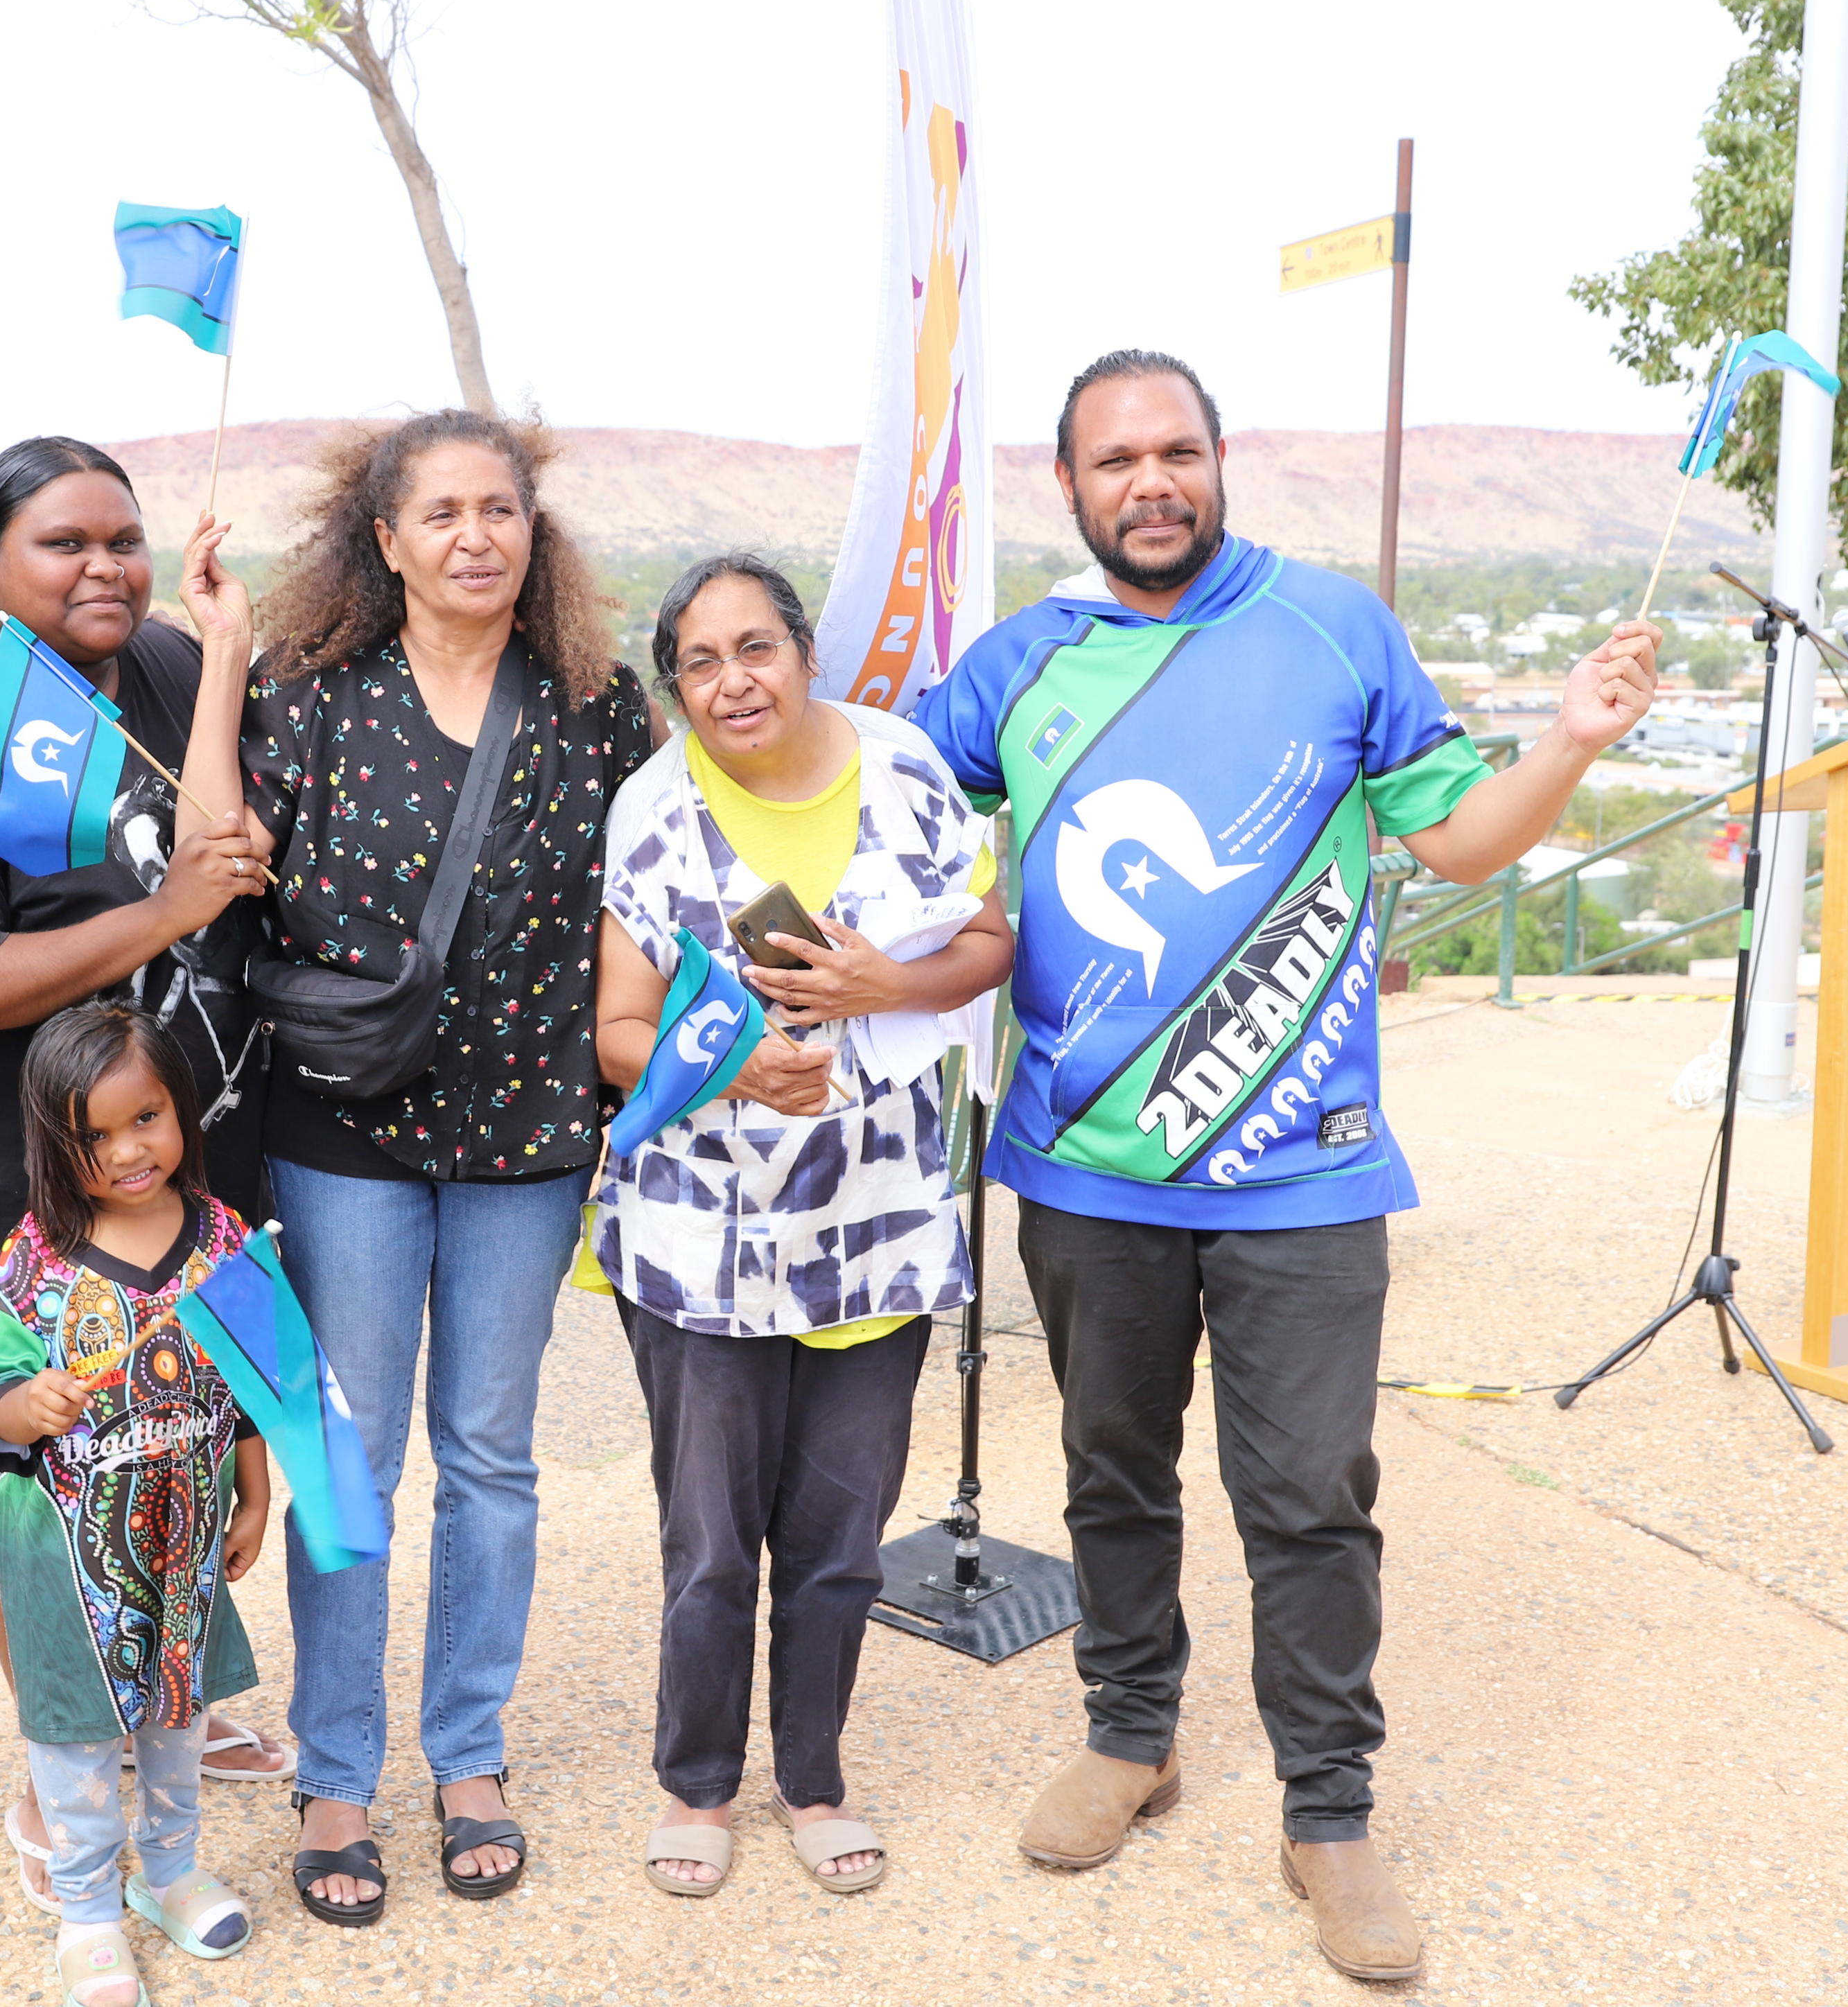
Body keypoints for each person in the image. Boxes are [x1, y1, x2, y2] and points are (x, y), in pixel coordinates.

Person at [913, 349, 1659, 1986]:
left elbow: (1457, 837)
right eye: (1116, 460)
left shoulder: (1331, 624)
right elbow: (889, 816)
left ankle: (1327, 1815)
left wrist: (1575, 742)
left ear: (1220, 459)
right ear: (1070, 486)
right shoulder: (1017, 662)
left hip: (1301, 1174)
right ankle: (1132, 1738)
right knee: (1113, 1472)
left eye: (1176, 449)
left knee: (1309, 1499)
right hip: (1087, 1171)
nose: (1150, 481)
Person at [0, 438, 295, 1913]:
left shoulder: (158, 666)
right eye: (61, 543)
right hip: (6, 1209)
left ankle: (170, 1697)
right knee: (38, 1491)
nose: (103, 567)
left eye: (123, 538)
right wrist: (167, 905)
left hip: (186, 1174)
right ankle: (59, 1777)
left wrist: (222, 651)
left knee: (189, 1437)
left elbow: (223, 841)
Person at [239, 408, 656, 1922]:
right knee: (347, 1456)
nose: (476, 534)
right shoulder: (308, 696)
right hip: (340, 1132)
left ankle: (466, 1753)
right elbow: (227, 879)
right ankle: (334, 1768)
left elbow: (649, 902)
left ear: (532, 534)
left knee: (490, 1458)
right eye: (444, 511)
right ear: (388, 537)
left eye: (502, 508)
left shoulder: (599, 707)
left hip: (530, 1134)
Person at [588, 554, 1011, 1900]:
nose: (733, 679)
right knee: (709, 1541)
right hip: (699, 1243)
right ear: (677, 687)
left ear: (803, 648)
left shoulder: (903, 769)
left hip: (875, 1226)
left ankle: (814, 1776)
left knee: (837, 1539)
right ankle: (697, 1780)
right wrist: (724, 1069)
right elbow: (615, 1033)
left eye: (754, 645)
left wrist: (893, 978)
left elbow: (989, 941)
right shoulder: (649, 814)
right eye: (700, 661)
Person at [0, 1003, 272, 2007]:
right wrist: (28, 1402)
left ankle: (172, 1870)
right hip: (68, 1557)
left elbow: (253, 1388)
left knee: (177, 1718)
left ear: (180, 1107)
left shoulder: (225, 1239)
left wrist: (255, 1498)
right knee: (76, 1737)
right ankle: (88, 1907)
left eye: (145, 1117)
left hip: (183, 1540)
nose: (126, 1150)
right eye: (93, 1136)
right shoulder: (33, 1264)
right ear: (55, 1144)